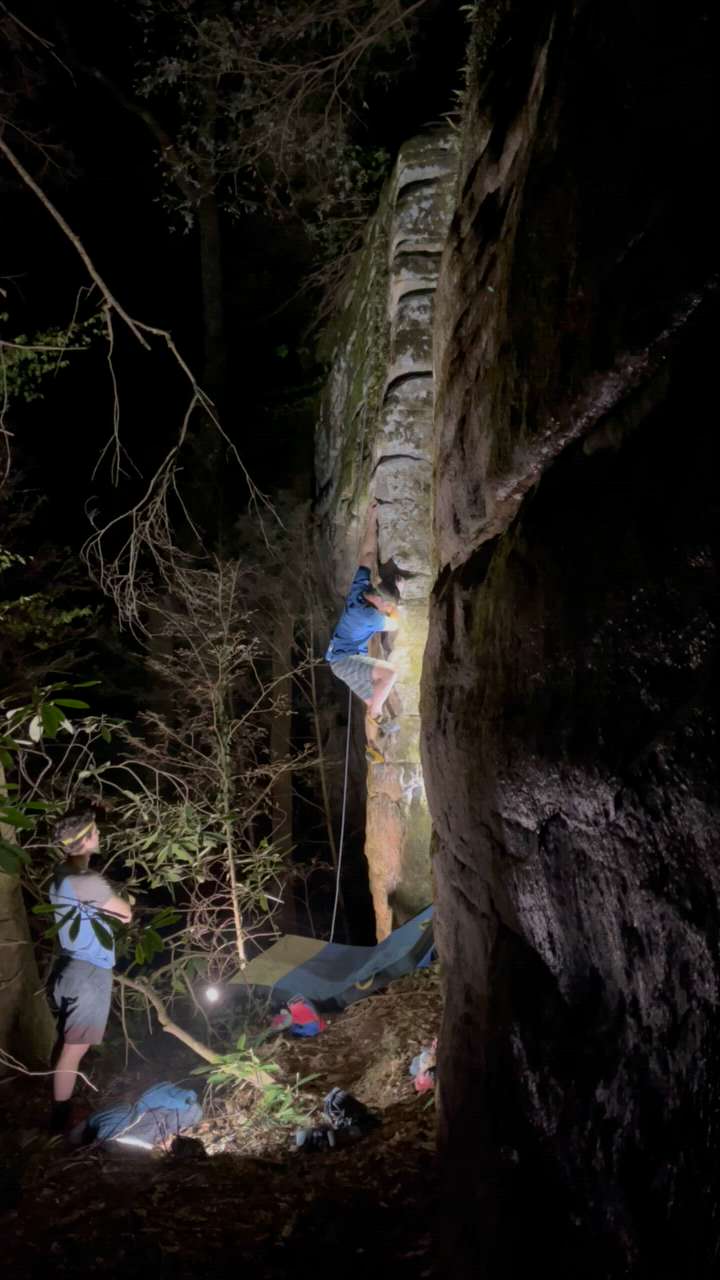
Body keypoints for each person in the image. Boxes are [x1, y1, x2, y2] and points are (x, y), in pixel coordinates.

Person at [48, 810, 132, 1132]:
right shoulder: (86, 881)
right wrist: (120, 901)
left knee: (70, 1045)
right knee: (74, 1050)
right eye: (95, 831)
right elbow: (125, 914)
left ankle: (63, 1109)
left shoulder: (61, 875)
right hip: (89, 973)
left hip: (70, 967)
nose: (99, 834)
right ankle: (60, 1121)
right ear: (85, 840)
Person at [326, 499, 400, 764]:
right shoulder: (368, 617)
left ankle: (371, 746)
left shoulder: (360, 588)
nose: (386, 606)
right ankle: (378, 713)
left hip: (340, 660)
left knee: (372, 702)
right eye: (385, 603)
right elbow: (395, 623)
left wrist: (371, 520)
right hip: (345, 661)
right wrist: (392, 612)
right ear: (376, 601)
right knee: (389, 673)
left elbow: (367, 554)